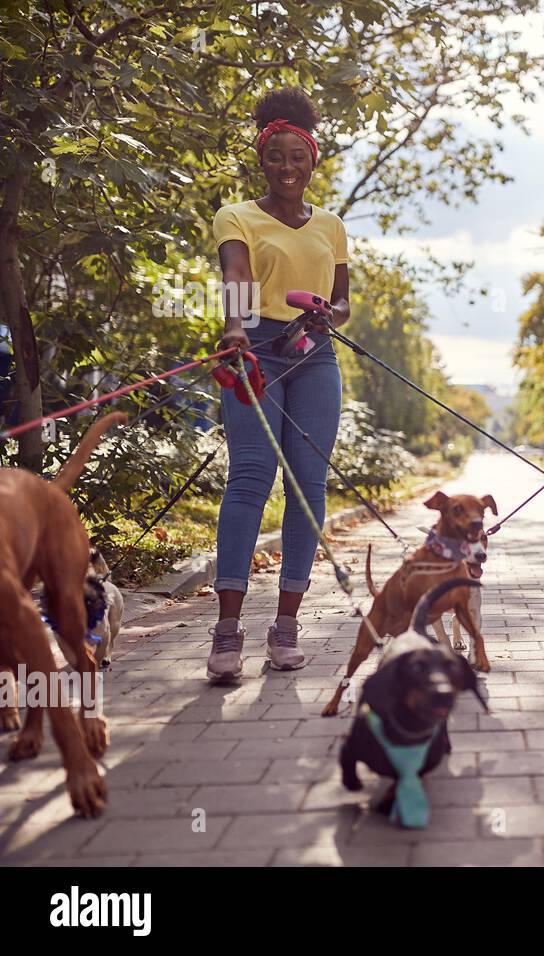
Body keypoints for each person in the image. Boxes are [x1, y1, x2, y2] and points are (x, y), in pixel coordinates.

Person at [206, 88, 350, 682]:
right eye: (276, 157)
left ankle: (285, 626)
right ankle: (227, 632)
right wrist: (236, 328)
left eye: (298, 157)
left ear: (312, 161)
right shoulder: (236, 216)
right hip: (255, 350)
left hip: (314, 352)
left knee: (307, 484)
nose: (287, 168)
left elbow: (343, 303)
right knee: (249, 479)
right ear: (262, 160)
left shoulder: (332, 225)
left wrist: (327, 314)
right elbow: (236, 275)